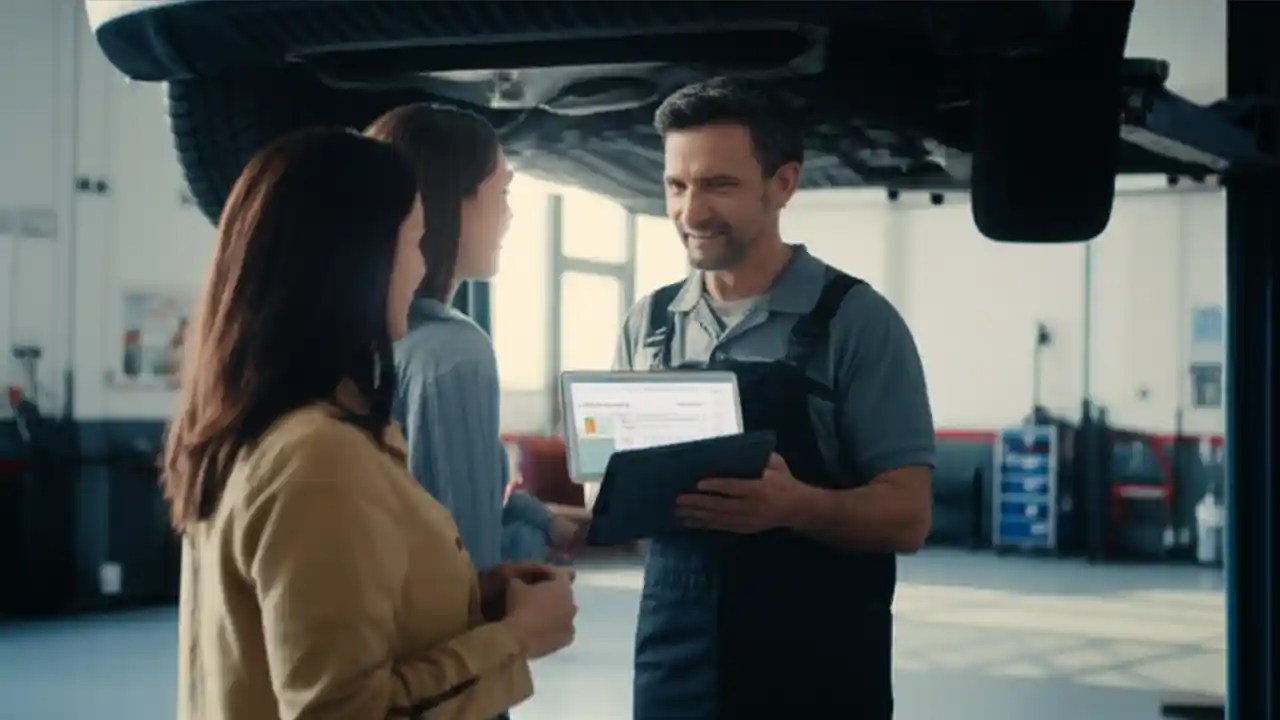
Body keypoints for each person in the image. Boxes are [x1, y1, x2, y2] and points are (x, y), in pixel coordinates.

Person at [162, 127, 576, 720]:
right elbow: (344, 710)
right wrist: (517, 639)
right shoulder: (317, 456)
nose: (420, 265)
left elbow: (313, 619)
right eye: (413, 241)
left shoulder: (257, 429)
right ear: (361, 263)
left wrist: (474, 597)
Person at [610, 77, 936, 719]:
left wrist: (795, 506)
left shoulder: (856, 321)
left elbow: (910, 515)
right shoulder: (647, 325)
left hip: (816, 672)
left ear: (783, 183)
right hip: (676, 662)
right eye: (677, 186)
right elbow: (606, 484)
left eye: (718, 185)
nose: (691, 212)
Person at [365, 104, 583, 571]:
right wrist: (534, 546)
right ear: (450, 203)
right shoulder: (455, 352)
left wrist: (540, 519)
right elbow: (470, 569)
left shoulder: (370, 336)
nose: (509, 214)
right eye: (501, 191)